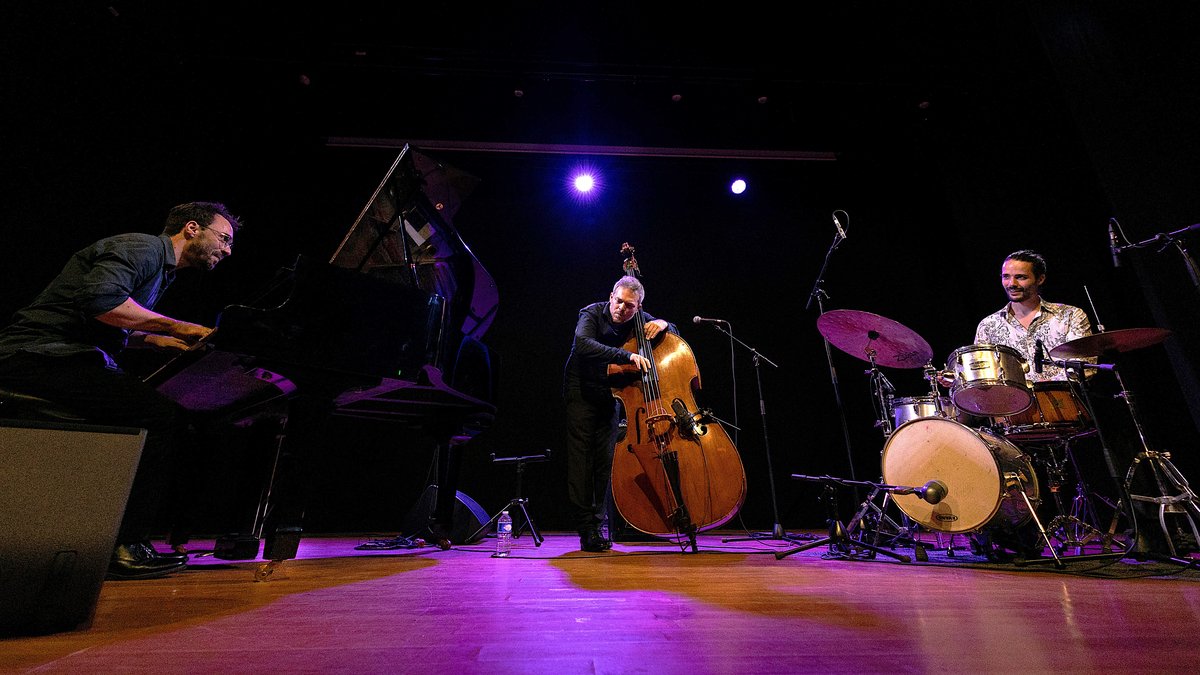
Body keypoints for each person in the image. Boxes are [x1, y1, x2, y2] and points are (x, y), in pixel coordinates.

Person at [0, 201, 240, 579]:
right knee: (159, 416)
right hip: (37, 356)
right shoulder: (141, 247)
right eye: (224, 239)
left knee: (158, 413)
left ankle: (104, 535)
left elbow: (105, 321)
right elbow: (100, 301)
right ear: (193, 229)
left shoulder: (162, 271)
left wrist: (149, 339)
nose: (227, 250)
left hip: (60, 357)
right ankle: (124, 547)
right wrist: (179, 328)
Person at [562, 275, 677, 552]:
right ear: (611, 296)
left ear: (638, 308)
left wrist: (664, 323)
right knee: (582, 459)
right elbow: (582, 344)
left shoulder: (639, 318)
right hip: (581, 390)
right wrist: (626, 356)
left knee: (605, 459)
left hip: (612, 394)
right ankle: (585, 527)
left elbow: (674, 334)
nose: (621, 309)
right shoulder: (591, 313)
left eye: (629, 306)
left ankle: (598, 525)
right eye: (618, 301)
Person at [973, 249, 1093, 381]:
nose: (1012, 284)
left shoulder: (1070, 315)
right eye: (1006, 276)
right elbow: (984, 374)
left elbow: (1084, 367)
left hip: (1064, 399)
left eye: (1021, 277)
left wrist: (1045, 387)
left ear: (1040, 279)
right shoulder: (988, 325)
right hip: (1014, 401)